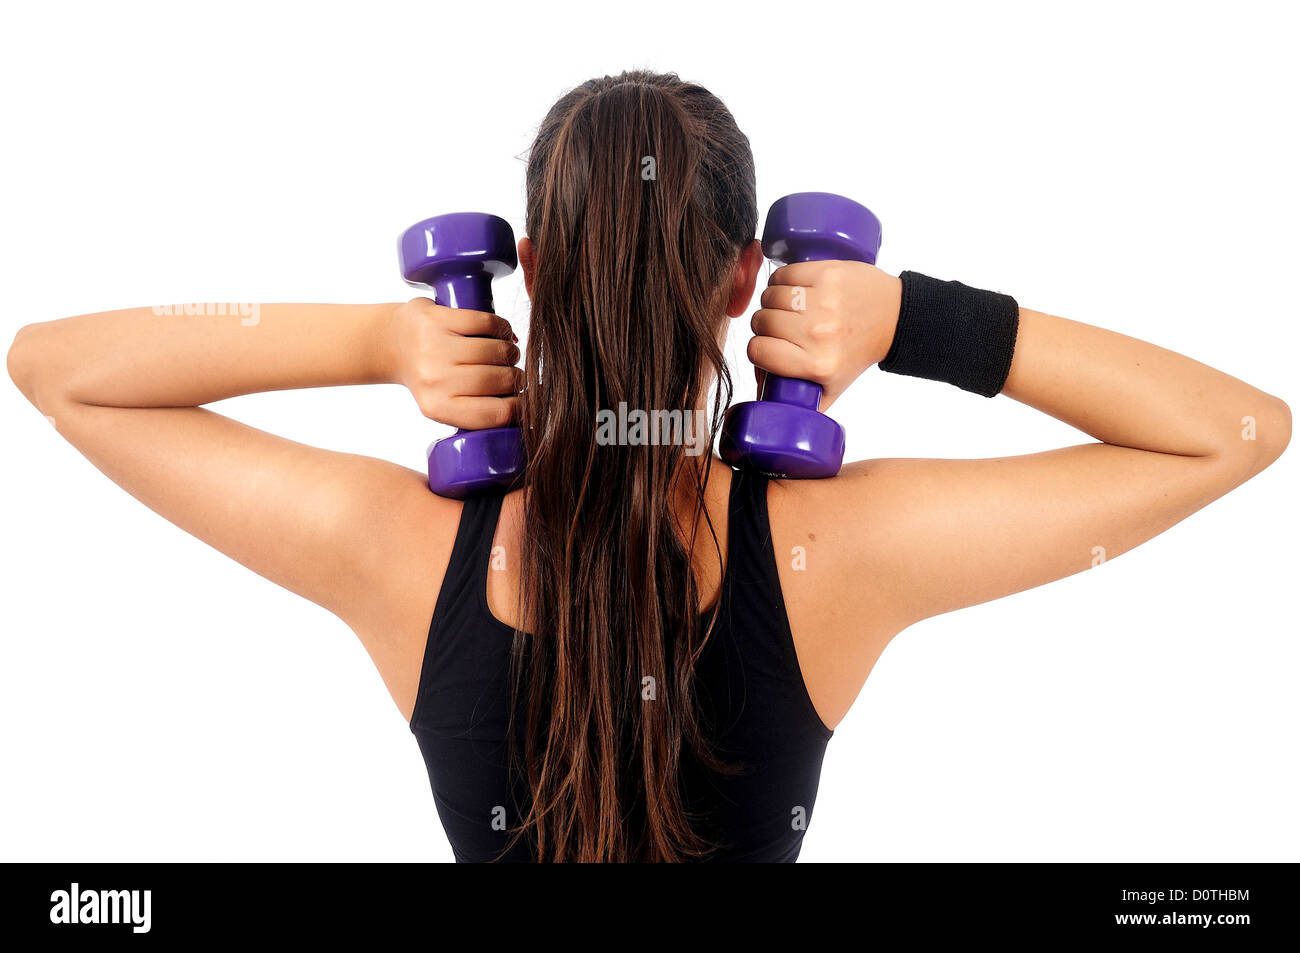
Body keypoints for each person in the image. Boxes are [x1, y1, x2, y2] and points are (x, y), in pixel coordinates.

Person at [7, 70, 1290, 862]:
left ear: (535, 265)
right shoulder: (828, 551)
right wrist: (908, 317)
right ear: (746, 278)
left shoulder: (402, 551)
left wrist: (372, 339)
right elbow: (1235, 430)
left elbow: (54, 367)